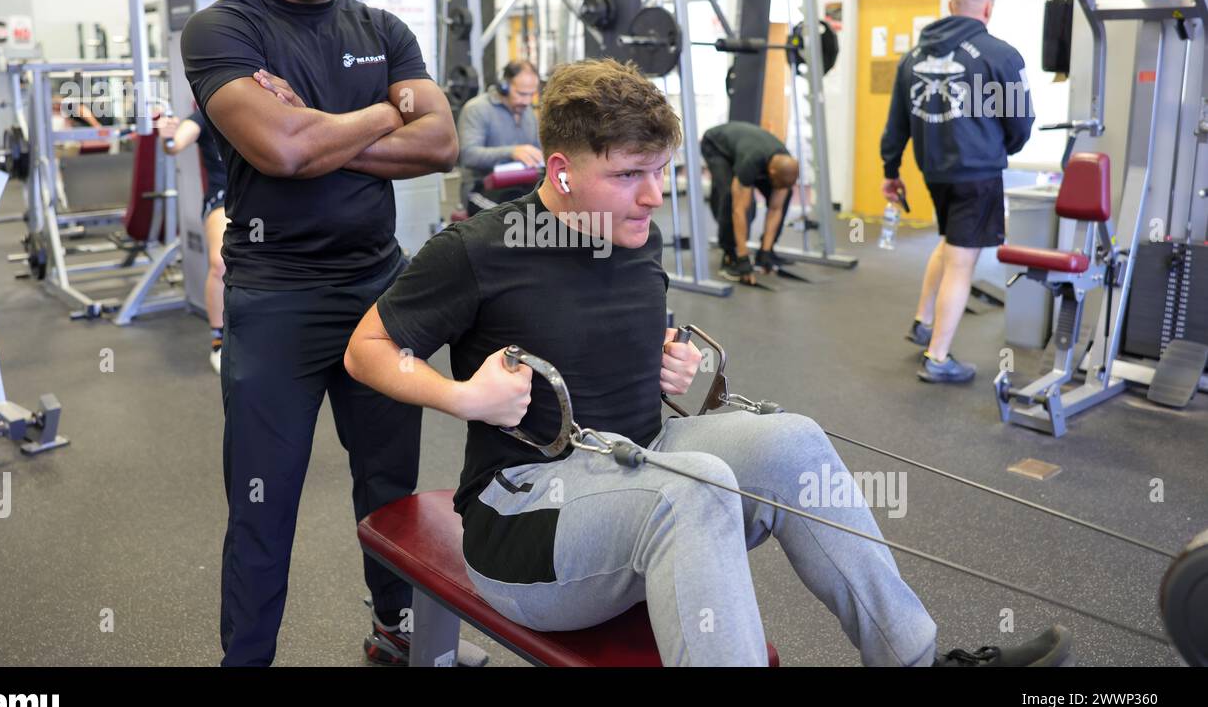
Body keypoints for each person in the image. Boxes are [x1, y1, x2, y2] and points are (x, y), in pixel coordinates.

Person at [345, 58, 1070, 667]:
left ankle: (912, 660)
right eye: (630, 174)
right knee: (695, 488)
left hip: (641, 458)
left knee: (793, 441)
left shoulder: (637, 236)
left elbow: (617, 337)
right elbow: (366, 350)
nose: (654, 195)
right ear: (560, 172)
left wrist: (665, 360)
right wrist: (462, 396)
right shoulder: (476, 250)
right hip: (526, 516)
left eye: (661, 170)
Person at [180, 0, 462, 667]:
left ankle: (396, 627)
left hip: (379, 289)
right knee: (263, 500)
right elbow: (280, 149)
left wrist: (319, 129)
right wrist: (380, 113)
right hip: (275, 296)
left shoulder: (383, 30)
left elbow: (440, 141)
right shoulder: (223, 30)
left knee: (392, 486)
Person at [881, 0, 1035, 384]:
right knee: (963, 261)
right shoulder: (1002, 56)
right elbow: (1020, 121)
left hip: (935, 170)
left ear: (952, 5)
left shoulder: (912, 57)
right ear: (987, 8)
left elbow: (896, 123)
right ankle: (938, 357)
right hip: (977, 172)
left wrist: (890, 171)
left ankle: (924, 321)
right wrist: (1002, 148)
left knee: (951, 243)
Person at [155, 111, 229, 374]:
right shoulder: (205, 116)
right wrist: (168, 138)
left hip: (265, 198)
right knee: (220, 262)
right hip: (224, 199)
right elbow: (174, 145)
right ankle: (219, 342)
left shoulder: (261, 108)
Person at [700, 120, 800, 284]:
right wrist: (743, 256)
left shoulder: (785, 162)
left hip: (747, 149)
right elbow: (739, 210)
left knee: (785, 195)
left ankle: (766, 253)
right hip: (716, 146)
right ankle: (731, 255)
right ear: (771, 172)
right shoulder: (751, 162)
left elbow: (776, 208)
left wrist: (765, 249)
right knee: (731, 196)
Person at [456, 59, 542, 206]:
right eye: (521, 94)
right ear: (504, 86)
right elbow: (468, 155)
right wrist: (511, 152)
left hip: (520, 186)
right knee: (511, 214)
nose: (527, 101)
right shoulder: (476, 109)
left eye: (531, 95)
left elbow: (537, 152)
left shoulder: (528, 112)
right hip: (481, 188)